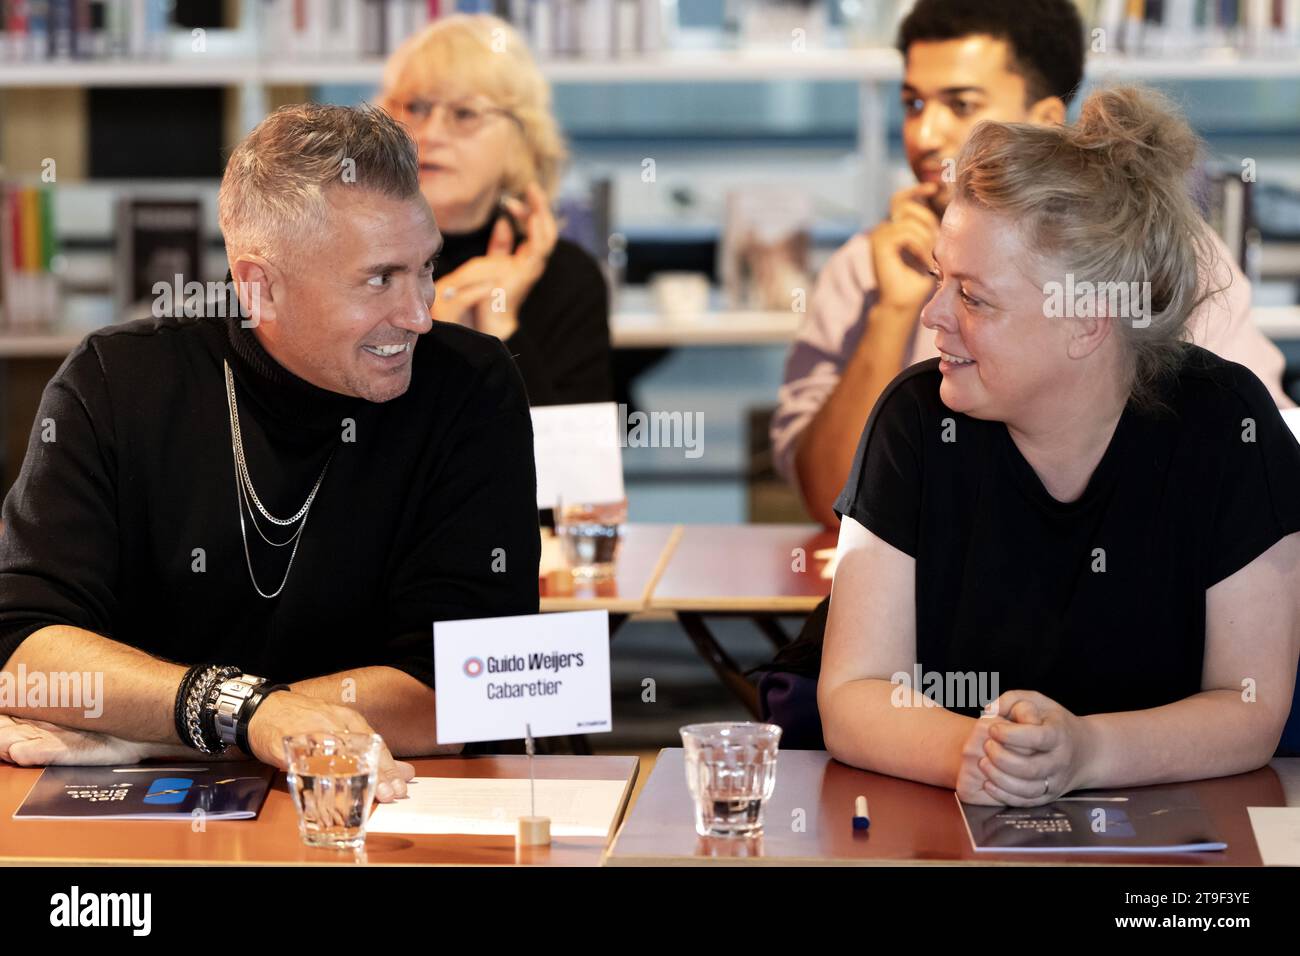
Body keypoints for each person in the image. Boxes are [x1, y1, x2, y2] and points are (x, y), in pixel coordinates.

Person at [0, 104, 541, 799]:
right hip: (152, 829)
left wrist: (196, 721)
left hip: (387, 807)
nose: (419, 313)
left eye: (425, 266)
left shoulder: (470, 385)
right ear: (259, 286)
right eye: (380, 279)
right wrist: (248, 716)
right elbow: (22, 648)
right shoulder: (115, 382)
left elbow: (469, 688)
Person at [819, 86, 1300, 805]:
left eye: (974, 298)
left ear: (1087, 321)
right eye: (938, 280)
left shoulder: (1227, 426)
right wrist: (978, 752)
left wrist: (1085, 752)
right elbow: (852, 695)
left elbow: (1250, 708)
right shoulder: (915, 423)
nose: (934, 315)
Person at [774, 0, 1292, 529]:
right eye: (912, 105)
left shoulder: (1153, 255)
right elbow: (832, 505)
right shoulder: (866, 266)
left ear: (1044, 121)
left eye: (960, 105)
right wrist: (891, 311)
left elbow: (1248, 472)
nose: (924, 136)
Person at [378, 13, 613, 407]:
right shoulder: (349, 260)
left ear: (520, 139)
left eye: (465, 114)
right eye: (417, 107)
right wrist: (435, 333)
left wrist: (500, 329)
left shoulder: (568, 278)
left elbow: (569, 460)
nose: (431, 134)